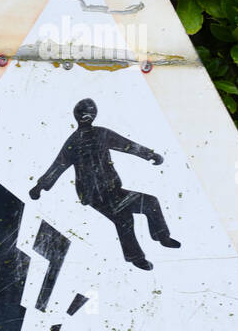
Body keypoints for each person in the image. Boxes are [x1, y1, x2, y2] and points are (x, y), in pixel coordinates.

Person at [29, 98, 181, 270]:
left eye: (89, 114)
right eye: (83, 115)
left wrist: (150, 155)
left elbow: (127, 145)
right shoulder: (73, 142)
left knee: (150, 202)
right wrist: (39, 187)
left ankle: (161, 237)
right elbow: (58, 166)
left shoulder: (102, 134)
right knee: (123, 218)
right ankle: (135, 257)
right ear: (77, 117)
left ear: (93, 116)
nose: (86, 118)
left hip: (113, 189)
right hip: (93, 194)